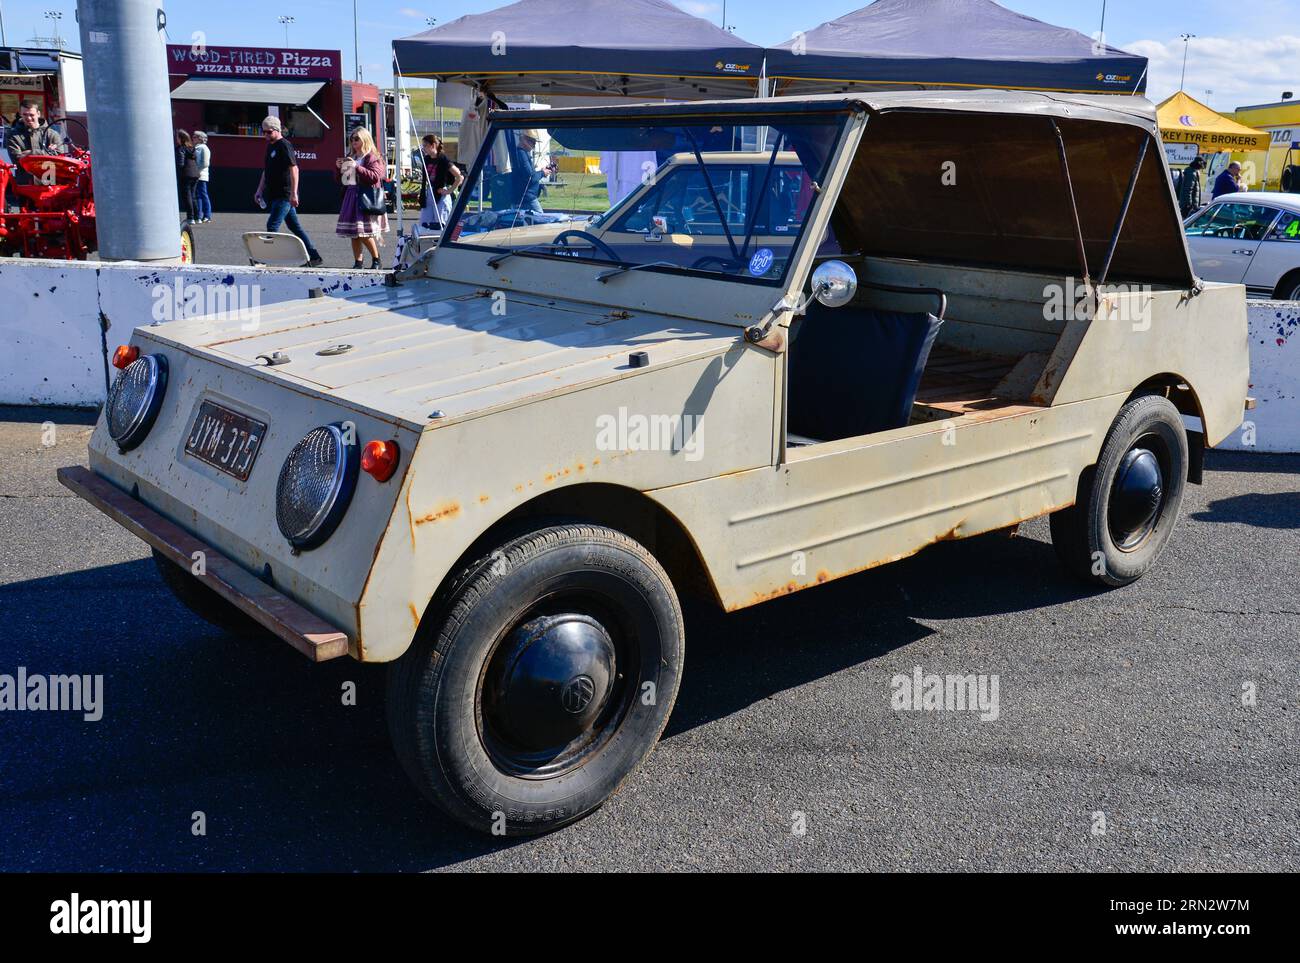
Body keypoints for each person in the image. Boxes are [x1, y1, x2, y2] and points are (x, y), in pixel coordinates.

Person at [254, 115, 323, 267]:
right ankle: (315, 256)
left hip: (284, 194)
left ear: (277, 130)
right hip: (274, 194)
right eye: (264, 132)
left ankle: (264, 259)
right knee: (295, 227)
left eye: (268, 132)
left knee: (272, 226)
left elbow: (294, 169)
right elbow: (266, 171)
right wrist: (259, 190)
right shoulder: (270, 146)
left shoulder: (285, 145)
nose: (265, 135)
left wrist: (294, 193)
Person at [335, 127, 388, 269]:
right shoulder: (351, 156)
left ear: (365, 139)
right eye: (351, 139)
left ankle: (377, 260)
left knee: (364, 233)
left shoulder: (372, 156)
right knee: (354, 233)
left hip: (366, 197)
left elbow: (375, 177)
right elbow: (344, 180)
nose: (353, 141)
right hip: (351, 196)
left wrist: (356, 167)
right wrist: (339, 168)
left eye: (356, 138)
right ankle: (358, 262)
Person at [5, 100, 65, 187]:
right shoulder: (13, 135)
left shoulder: (52, 134)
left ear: (38, 113)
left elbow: (59, 156)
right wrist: (47, 152)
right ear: (20, 114)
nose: (28, 118)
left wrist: (31, 153)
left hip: (49, 184)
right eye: (25, 114)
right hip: (25, 185)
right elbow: (17, 159)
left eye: (31, 115)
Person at [417, 134, 464, 231]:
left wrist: (449, 191)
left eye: (425, 145)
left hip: (441, 196)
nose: (423, 148)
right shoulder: (426, 159)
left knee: (440, 225)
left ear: (433, 145)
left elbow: (460, 177)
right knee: (424, 224)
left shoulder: (443, 160)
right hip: (428, 194)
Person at [510, 129, 544, 214]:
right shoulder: (521, 154)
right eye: (532, 142)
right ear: (524, 139)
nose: (534, 145)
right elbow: (530, 177)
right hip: (527, 198)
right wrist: (543, 173)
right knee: (542, 222)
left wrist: (541, 172)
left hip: (524, 197)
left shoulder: (522, 153)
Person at [175, 130, 200, 224]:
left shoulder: (181, 148)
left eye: (177, 137)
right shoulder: (192, 148)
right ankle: (197, 217)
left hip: (186, 174)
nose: (176, 139)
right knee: (193, 196)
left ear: (181, 138)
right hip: (195, 174)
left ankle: (190, 217)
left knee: (187, 196)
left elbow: (180, 163)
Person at [193, 131, 212, 222]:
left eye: (195, 136)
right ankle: (199, 215)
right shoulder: (196, 148)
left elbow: (205, 163)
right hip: (196, 175)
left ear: (200, 138)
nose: (193, 138)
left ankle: (207, 215)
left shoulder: (204, 148)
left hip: (201, 175)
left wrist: (196, 169)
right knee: (198, 196)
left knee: (203, 195)